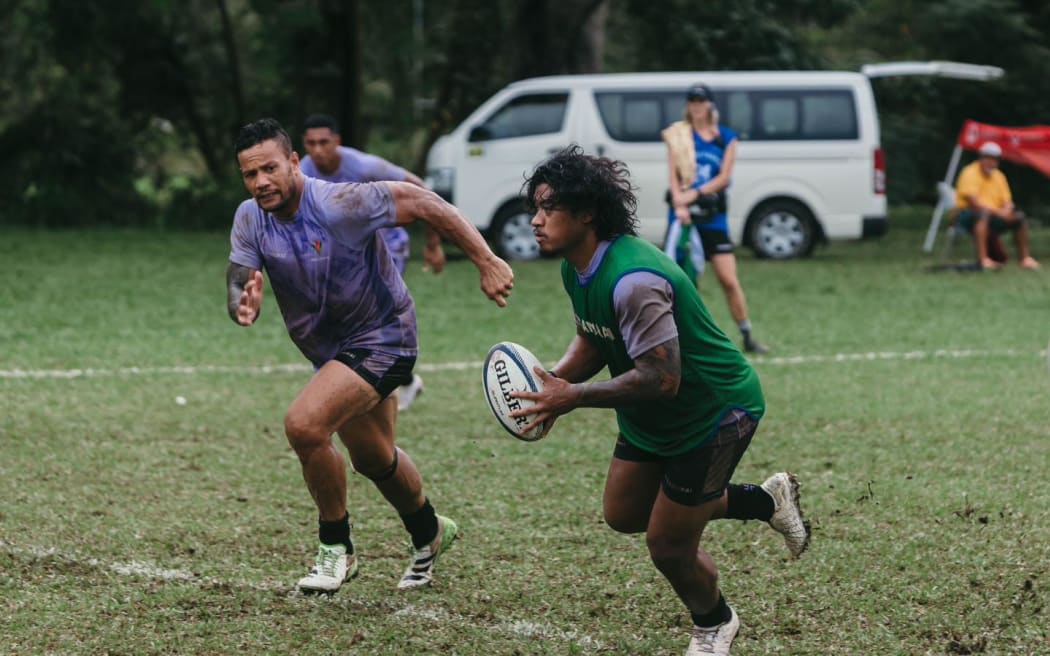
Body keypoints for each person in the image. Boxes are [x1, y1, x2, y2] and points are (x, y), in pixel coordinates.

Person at [512, 146, 810, 656]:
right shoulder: (577, 265)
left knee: (668, 544)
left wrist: (572, 397)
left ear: (587, 212)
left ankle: (715, 623)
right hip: (653, 413)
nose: (536, 222)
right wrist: (554, 380)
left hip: (714, 411)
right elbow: (594, 336)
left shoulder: (635, 282)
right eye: (534, 209)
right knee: (625, 513)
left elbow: (662, 377)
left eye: (548, 208)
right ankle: (766, 500)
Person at [226, 118, 514, 594]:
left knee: (304, 424)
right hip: (334, 353)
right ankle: (429, 531)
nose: (260, 183)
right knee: (374, 458)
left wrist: (485, 259)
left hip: (386, 337)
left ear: (294, 162)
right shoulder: (249, 218)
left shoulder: (340, 202)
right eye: (250, 175)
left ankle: (335, 548)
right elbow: (239, 276)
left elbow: (423, 201)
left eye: (270, 169)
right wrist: (241, 298)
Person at [298, 113, 444, 409]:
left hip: (387, 247)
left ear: (337, 142)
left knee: (370, 316)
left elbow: (420, 190)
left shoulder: (363, 166)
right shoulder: (302, 171)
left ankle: (379, 383)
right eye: (311, 143)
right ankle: (401, 380)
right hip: (343, 257)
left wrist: (433, 243)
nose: (317, 150)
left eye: (324, 142)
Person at [663, 83, 769, 353]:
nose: (696, 105)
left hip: (713, 218)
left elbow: (723, 177)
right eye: (692, 100)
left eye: (701, 100)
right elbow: (673, 176)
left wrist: (695, 193)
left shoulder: (726, 137)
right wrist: (680, 204)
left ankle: (746, 334)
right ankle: (682, 340)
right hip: (684, 218)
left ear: (710, 104)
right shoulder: (679, 136)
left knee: (728, 279)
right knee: (682, 283)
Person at [953, 141, 1040, 271]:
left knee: (1019, 217)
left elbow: (1008, 202)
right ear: (981, 157)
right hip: (966, 215)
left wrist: (1006, 211)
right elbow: (973, 203)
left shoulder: (999, 176)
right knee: (982, 214)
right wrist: (1000, 213)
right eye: (987, 158)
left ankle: (1024, 259)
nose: (991, 162)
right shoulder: (969, 172)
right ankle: (983, 260)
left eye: (994, 159)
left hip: (993, 216)